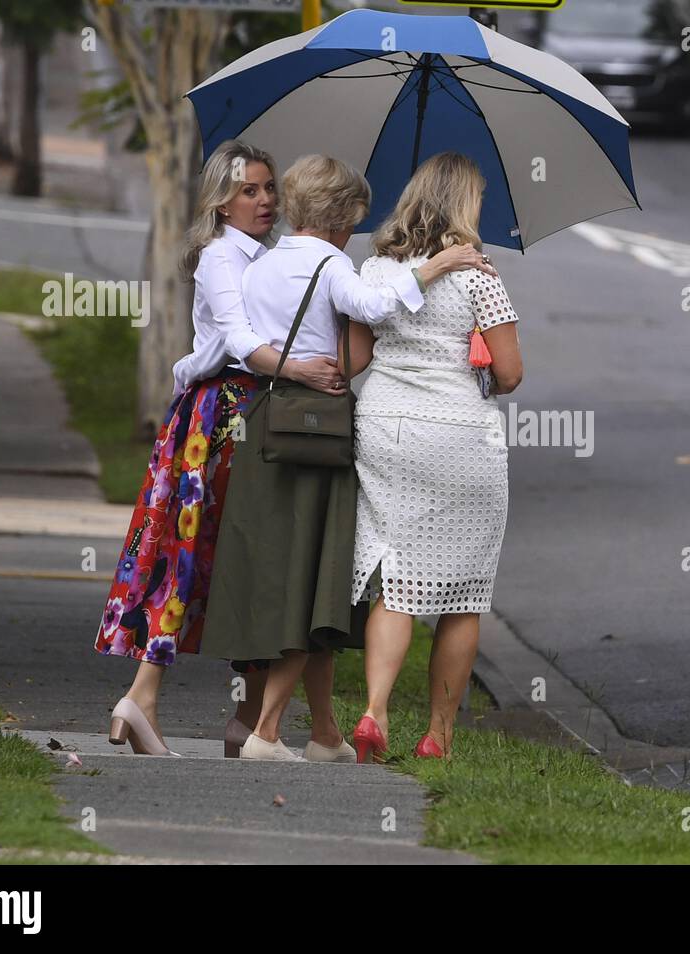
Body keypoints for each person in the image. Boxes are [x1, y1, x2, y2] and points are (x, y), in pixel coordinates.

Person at [199, 153, 495, 761]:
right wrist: (441, 261)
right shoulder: (332, 263)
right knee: (317, 585)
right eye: (353, 221)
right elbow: (373, 311)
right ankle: (269, 731)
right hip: (316, 434)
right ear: (338, 218)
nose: (354, 233)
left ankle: (305, 728)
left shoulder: (258, 263)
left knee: (274, 577)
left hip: (260, 429)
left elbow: (229, 340)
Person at [94, 140, 347, 756]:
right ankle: (146, 695)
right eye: (248, 191)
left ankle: (246, 716)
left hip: (255, 411)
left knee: (245, 559)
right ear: (221, 201)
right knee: (190, 554)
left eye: (268, 189)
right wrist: (302, 371)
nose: (264, 201)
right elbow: (236, 338)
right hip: (221, 416)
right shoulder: (219, 256)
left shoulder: (266, 255)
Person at [349, 152, 523, 763]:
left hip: (385, 425)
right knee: (464, 594)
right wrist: (477, 367)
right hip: (459, 435)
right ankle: (438, 735)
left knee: (393, 577)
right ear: (463, 205)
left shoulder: (373, 270)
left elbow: (356, 356)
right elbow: (510, 373)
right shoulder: (480, 277)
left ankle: (373, 712)